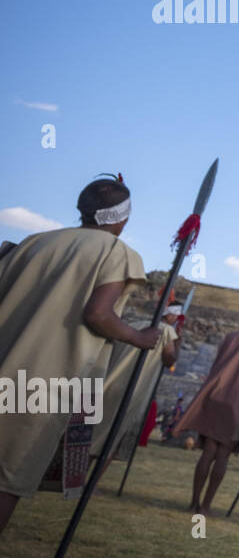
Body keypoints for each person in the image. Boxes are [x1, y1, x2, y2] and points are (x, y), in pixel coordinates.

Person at [0, 175, 156, 534]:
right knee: (7, 476)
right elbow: (98, 314)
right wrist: (137, 336)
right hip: (41, 381)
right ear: (122, 217)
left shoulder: (34, 242)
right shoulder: (116, 253)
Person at [176, 303, 239, 515]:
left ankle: (193, 503)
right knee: (222, 455)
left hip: (216, 396)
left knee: (208, 453)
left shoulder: (232, 336)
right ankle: (205, 507)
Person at [89, 297, 182, 460]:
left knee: (96, 431)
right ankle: (91, 482)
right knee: (115, 438)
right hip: (135, 388)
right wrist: (178, 342)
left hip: (111, 381)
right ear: (171, 316)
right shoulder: (167, 331)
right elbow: (170, 360)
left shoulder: (131, 324)